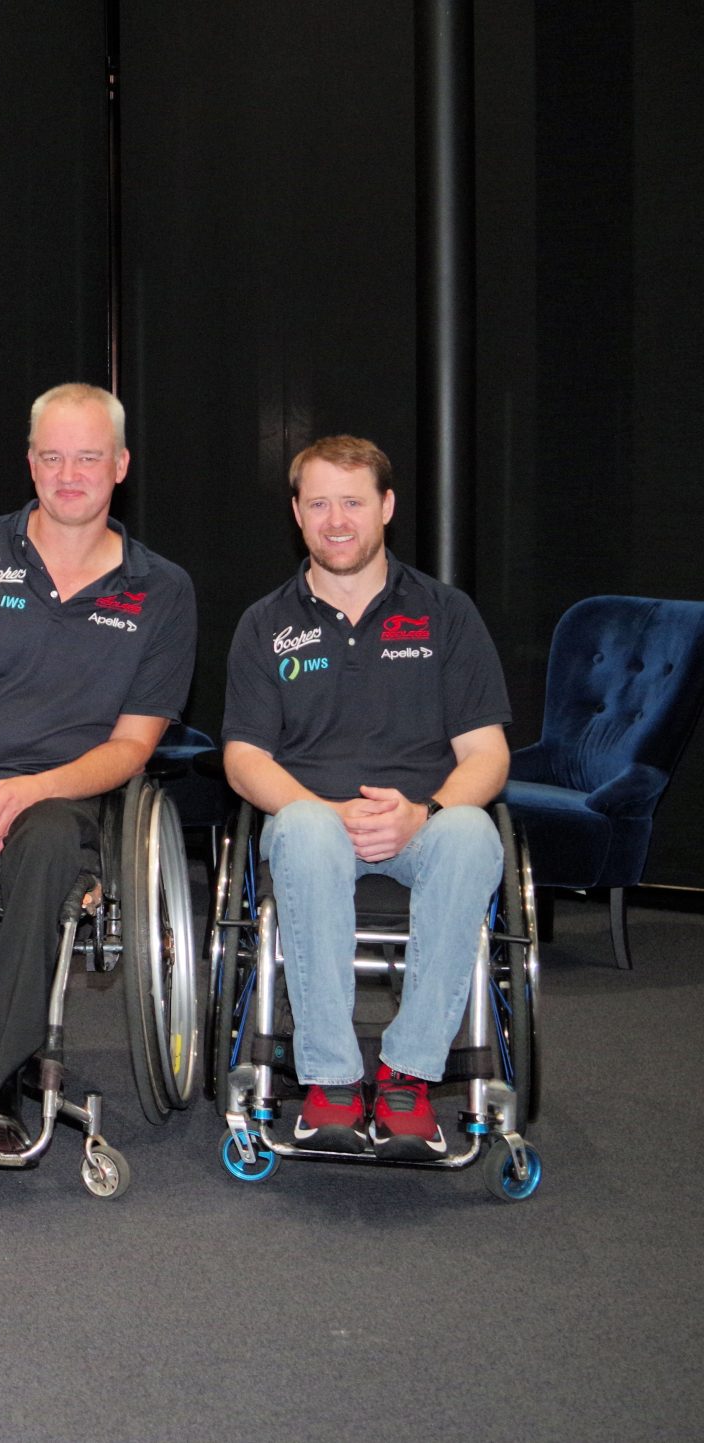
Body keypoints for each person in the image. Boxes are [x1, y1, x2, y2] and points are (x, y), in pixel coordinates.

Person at [0, 383, 195, 1154]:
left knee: (45, 845)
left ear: (121, 465)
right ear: (29, 463)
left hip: (70, 793)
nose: (69, 473)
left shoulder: (161, 589)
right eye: (52, 456)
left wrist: (39, 786)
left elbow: (133, 745)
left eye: (88, 456)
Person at [220, 436, 509, 1157]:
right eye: (318, 503)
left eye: (352, 501)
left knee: (475, 833)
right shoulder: (265, 624)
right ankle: (334, 1084)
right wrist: (313, 808)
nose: (336, 519)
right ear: (297, 513)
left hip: (419, 824)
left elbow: (487, 754)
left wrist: (425, 812)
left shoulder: (447, 615)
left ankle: (408, 1074)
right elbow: (244, 756)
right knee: (308, 831)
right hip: (310, 828)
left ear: (385, 507)